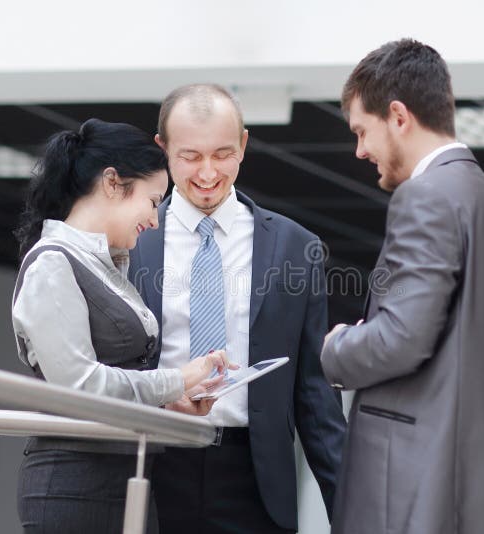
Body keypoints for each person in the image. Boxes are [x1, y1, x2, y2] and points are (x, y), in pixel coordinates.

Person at [320, 39, 484, 534]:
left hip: (415, 491)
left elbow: (400, 338)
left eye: (361, 131)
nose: (360, 151)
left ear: (398, 116)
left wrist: (336, 348)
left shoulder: (427, 197)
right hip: (477, 495)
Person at [128, 84, 347, 534]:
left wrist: (350, 510)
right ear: (163, 149)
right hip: (150, 467)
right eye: (190, 156)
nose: (208, 172)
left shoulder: (295, 247)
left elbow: (314, 396)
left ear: (244, 145)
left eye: (222, 154)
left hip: (256, 478)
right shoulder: (130, 242)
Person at [11, 118, 233, 534]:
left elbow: (116, 380)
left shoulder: (108, 266)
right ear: (112, 183)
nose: (154, 219)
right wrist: (176, 380)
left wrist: (174, 402)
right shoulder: (53, 263)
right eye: (153, 200)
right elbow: (78, 387)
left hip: (123, 476)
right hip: (74, 484)